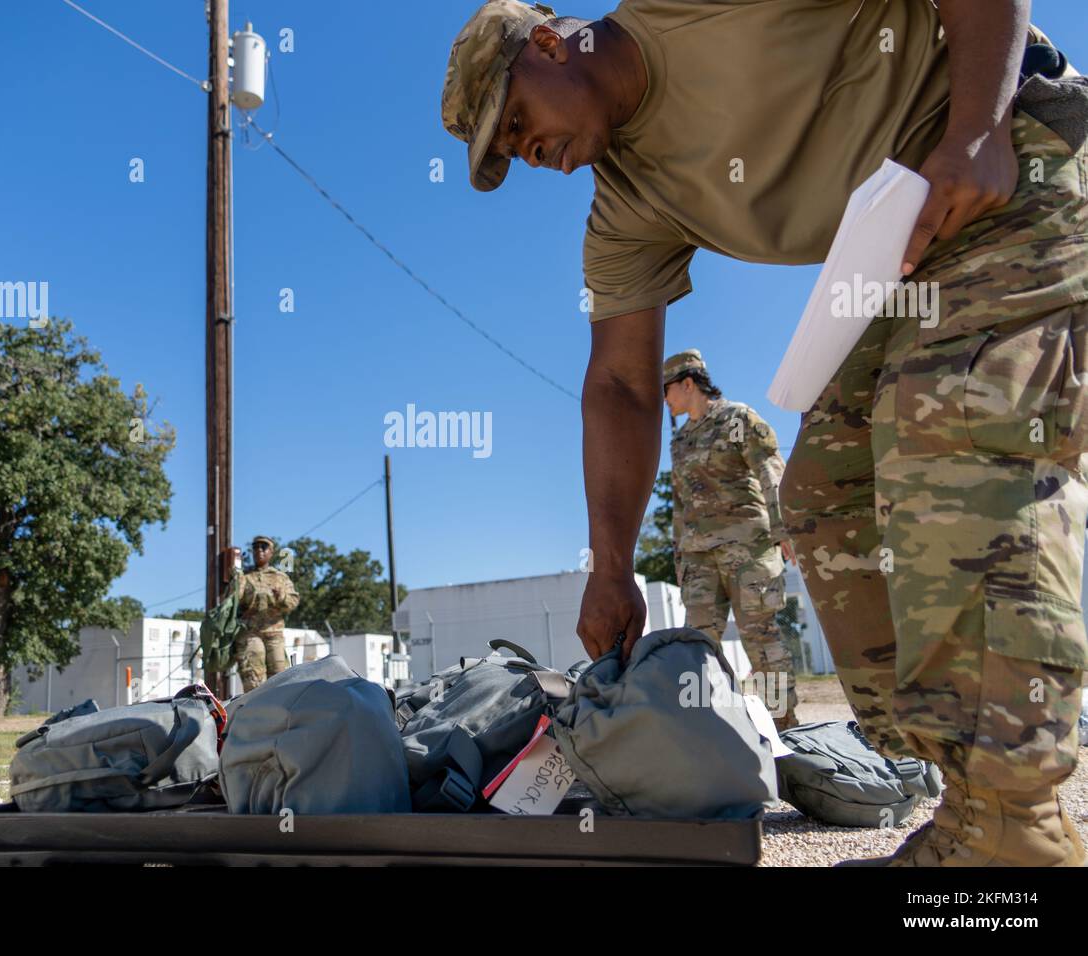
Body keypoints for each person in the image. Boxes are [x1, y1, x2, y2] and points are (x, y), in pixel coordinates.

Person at [442, 0, 1087, 864]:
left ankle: (1018, 826)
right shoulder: (626, 204)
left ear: (553, 44)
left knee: (951, 417)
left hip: (1011, 153)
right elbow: (623, 383)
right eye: (515, 154)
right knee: (825, 494)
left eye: (521, 122)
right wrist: (611, 567)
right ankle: (969, 797)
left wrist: (975, 126)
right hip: (905, 258)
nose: (536, 155)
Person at [663, 349, 798, 730]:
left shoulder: (737, 419)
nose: (664, 399)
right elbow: (680, 504)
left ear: (688, 384)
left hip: (747, 549)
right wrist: (680, 561)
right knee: (697, 645)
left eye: (667, 389)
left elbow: (770, 469)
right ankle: (714, 729)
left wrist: (783, 528)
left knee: (761, 638)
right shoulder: (680, 440)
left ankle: (785, 730)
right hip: (698, 558)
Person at [233, 535, 300, 692]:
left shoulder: (280, 577)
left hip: (274, 633)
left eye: (264, 547)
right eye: (256, 547)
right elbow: (234, 600)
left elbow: (293, 601)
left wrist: (281, 596)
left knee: (280, 678)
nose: (259, 551)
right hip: (251, 632)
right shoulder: (245, 577)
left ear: (271, 552)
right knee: (254, 679)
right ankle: (255, 712)